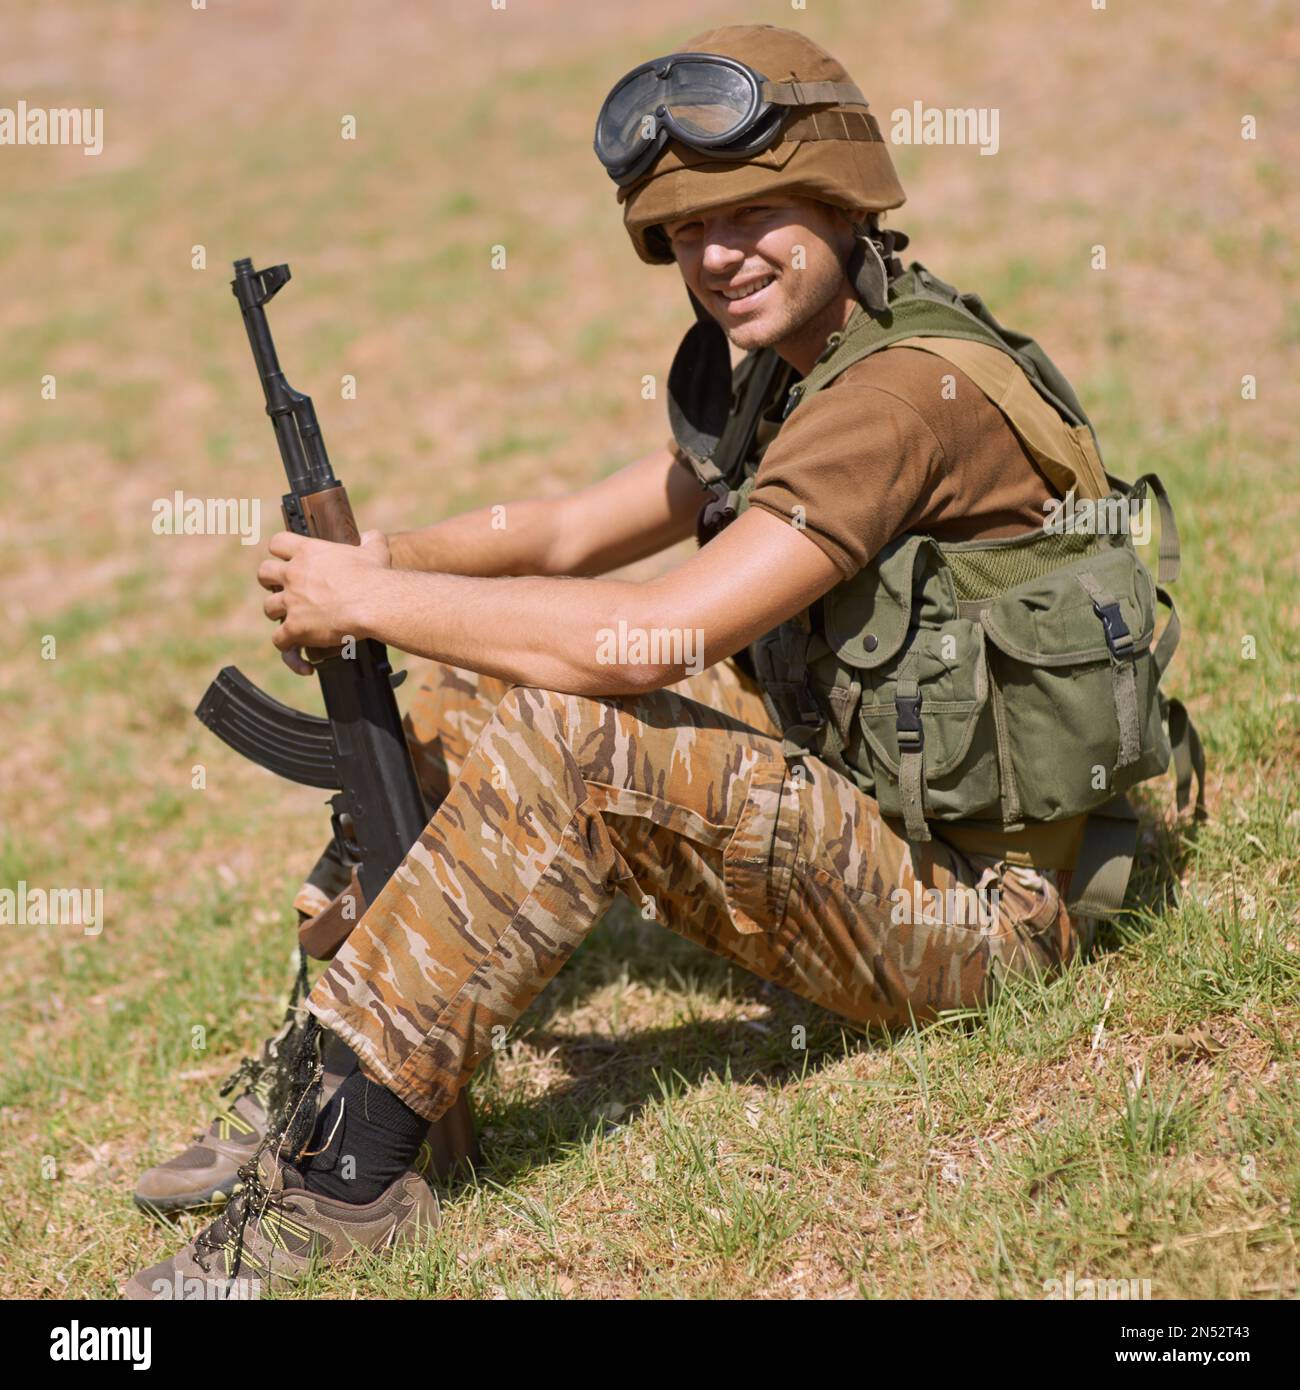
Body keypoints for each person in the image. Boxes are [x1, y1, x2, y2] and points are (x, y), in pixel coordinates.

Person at [125, 23, 1198, 1299]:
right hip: (898, 813)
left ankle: (349, 1178)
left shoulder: (895, 400)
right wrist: (381, 558)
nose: (717, 255)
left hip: (987, 914)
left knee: (574, 730)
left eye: (752, 215)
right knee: (486, 679)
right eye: (686, 231)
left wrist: (379, 596)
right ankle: (341, 1054)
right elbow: (574, 532)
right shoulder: (805, 367)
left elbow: (661, 634)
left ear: (846, 198)